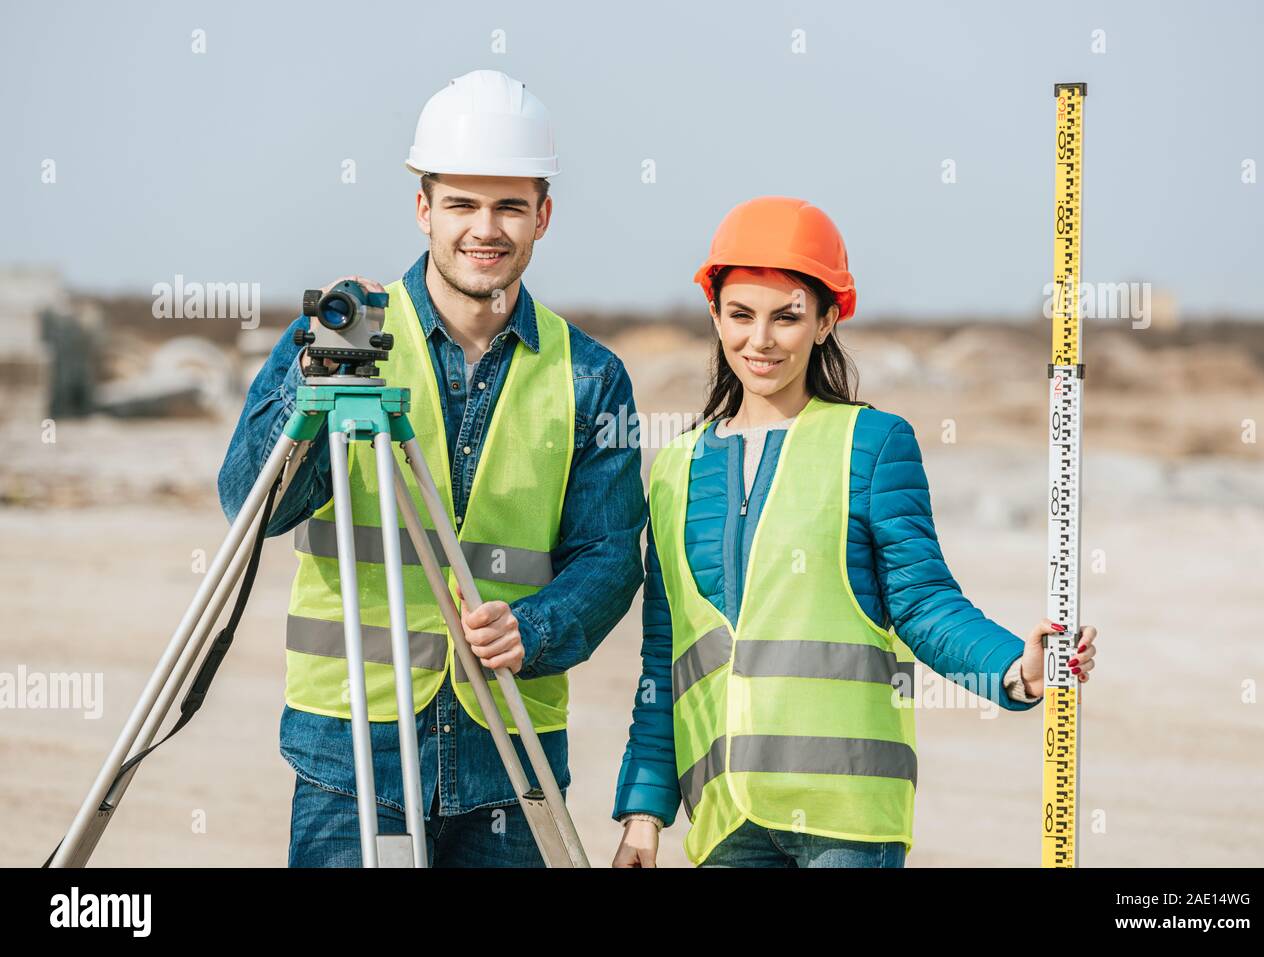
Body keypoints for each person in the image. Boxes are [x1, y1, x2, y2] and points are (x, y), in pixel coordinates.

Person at [218, 69, 646, 867]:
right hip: (351, 747)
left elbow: (613, 553)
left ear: (543, 216)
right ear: (424, 208)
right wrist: (310, 381)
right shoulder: (344, 335)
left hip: (509, 751)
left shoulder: (588, 376)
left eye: (510, 205)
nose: (485, 228)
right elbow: (251, 503)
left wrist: (537, 626)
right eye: (461, 204)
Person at [611, 196, 1099, 868]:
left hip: (846, 816)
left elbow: (923, 602)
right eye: (741, 314)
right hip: (724, 818)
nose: (761, 339)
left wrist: (1017, 666)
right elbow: (666, 658)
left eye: (787, 316)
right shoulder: (673, 470)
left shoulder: (871, 444)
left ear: (826, 319)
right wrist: (644, 812)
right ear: (715, 315)